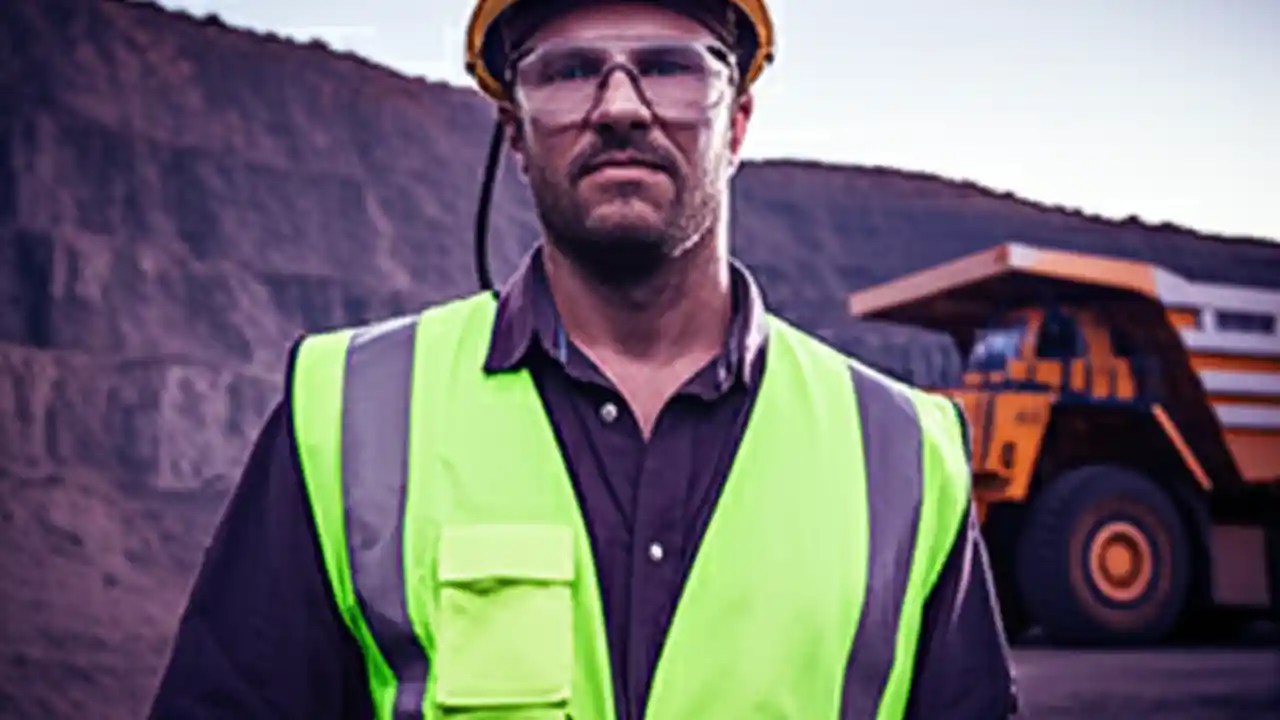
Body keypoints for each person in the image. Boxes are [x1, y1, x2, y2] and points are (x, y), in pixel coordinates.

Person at [148, 0, 1018, 717]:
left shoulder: (906, 453)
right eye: (567, 72)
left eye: (670, 65)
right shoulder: (346, 412)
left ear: (738, 119)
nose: (621, 106)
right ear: (516, 134)